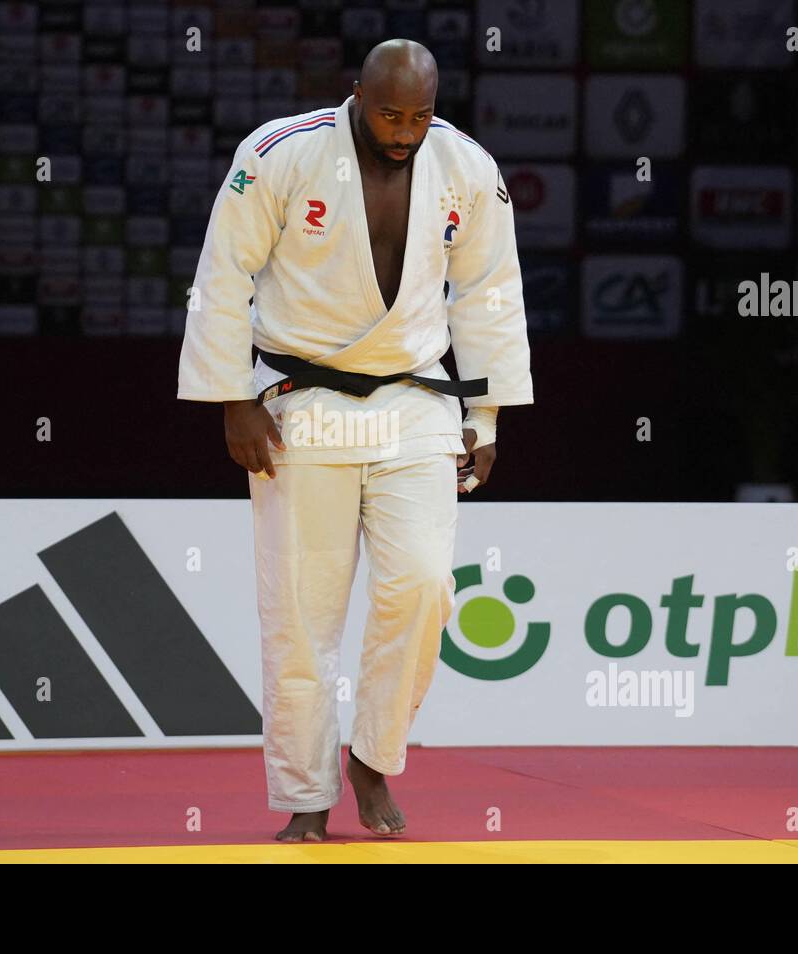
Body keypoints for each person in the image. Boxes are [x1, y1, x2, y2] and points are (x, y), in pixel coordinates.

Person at [177, 40, 533, 842]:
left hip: (413, 397)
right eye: (388, 113)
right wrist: (233, 397)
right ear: (356, 95)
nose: (404, 131)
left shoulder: (468, 166)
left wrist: (488, 417)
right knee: (301, 614)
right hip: (301, 400)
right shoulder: (280, 153)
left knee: (424, 585)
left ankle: (373, 755)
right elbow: (223, 273)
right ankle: (307, 792)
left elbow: (490, 294)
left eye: (419, 115)